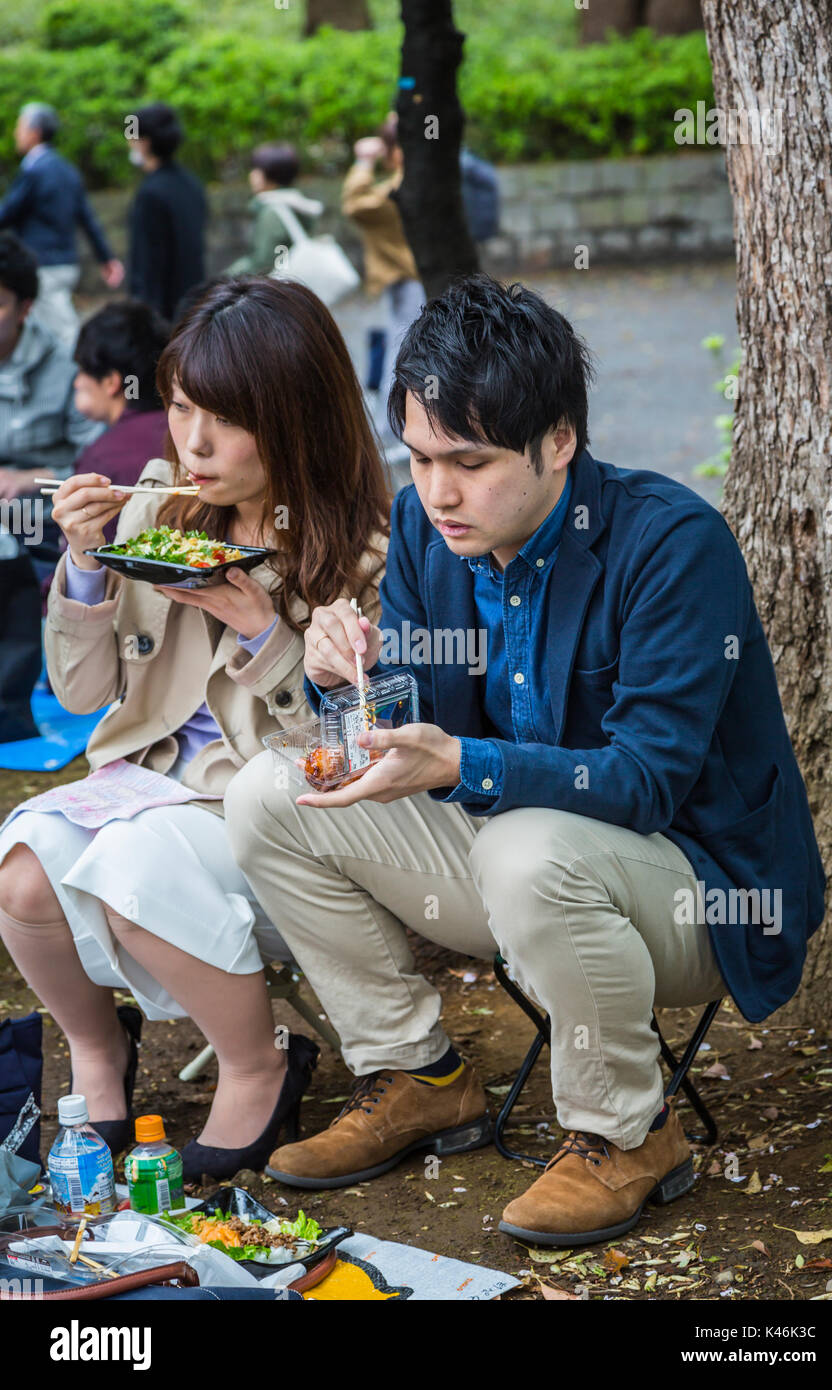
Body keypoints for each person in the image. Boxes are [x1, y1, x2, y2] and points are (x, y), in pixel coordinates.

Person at [224, 273, 825, 1246]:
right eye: (418, 459)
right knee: (266, 794)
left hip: (697, 894)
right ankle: (418, 1076)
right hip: (522, 868)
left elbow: (642, 781)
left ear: (557, 441)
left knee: (526, 848)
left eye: (467, 460)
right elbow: (424, 717)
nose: (435, 491)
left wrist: (460, 758)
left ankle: (624, 1132)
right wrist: (354, 677)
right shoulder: (428, 528)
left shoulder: (670, 544)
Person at [0, 275, 390, 1181]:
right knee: (19, 871)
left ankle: (263, 1059)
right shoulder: (156, 512)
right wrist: (87, 567)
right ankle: (100, 1049)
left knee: (131, 864)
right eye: (180, 408)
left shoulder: (366, 551)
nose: (195, 443)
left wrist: (265, 634)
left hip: (282, 827)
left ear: (294, 416)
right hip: (144, 787)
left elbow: (351, 754)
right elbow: (82, 686)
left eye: (226, 418)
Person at [0, 231, 104, 739]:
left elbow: (104, 471)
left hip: (45, 520)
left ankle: (10, 709)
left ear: (24, 307)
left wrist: (29, 482)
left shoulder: (66, 367)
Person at [0, 104, 124, 347]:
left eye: (20, 127)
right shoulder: (68, 170)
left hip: (43, 265)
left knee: (65, 335)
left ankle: (89, 374)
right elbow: (87, 218)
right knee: (42, 332)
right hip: (66, 263)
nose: (16, 133)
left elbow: (7, 212)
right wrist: (106, 257)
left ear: (34, 132)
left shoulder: (35, 169)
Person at [342, 113, 424, 447]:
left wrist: (363, 161)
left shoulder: (398, 188)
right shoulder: (427, 179)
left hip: (405, 279)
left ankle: (396, 430)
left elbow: (354, 204)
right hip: (414, 277)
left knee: (399, 350)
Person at [72, 300, 170, 539]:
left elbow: (85, 553)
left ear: (111, 382)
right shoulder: (185, 430)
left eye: (82, 370)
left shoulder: (103, 460)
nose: (76, 382)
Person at [127, 104, 207, 322]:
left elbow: (148, 264)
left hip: (161, 313)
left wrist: (144, 317)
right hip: (193, 304)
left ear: (145, 142)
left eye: (132, 136)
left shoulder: (150, 193)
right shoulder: (191, 183)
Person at [226, 142, 324, 277]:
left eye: (256, 169)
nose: (252, 175)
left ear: (270, 174)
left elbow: (263, 262)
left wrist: (225, 278)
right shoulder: (295, 203)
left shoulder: (273, 212)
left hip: (277, 289)